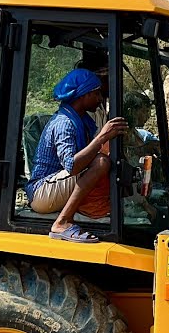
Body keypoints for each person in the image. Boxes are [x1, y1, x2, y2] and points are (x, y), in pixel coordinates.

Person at [25, 68, 128, 243]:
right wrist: (102, 137)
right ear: (83, 96)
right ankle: (62, 222)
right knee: (101, 162)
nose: (100, 99)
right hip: (41, 193)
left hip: (58, 185)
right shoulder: (63, 123)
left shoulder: (82, 120)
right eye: (96, 94)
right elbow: (72, 166)